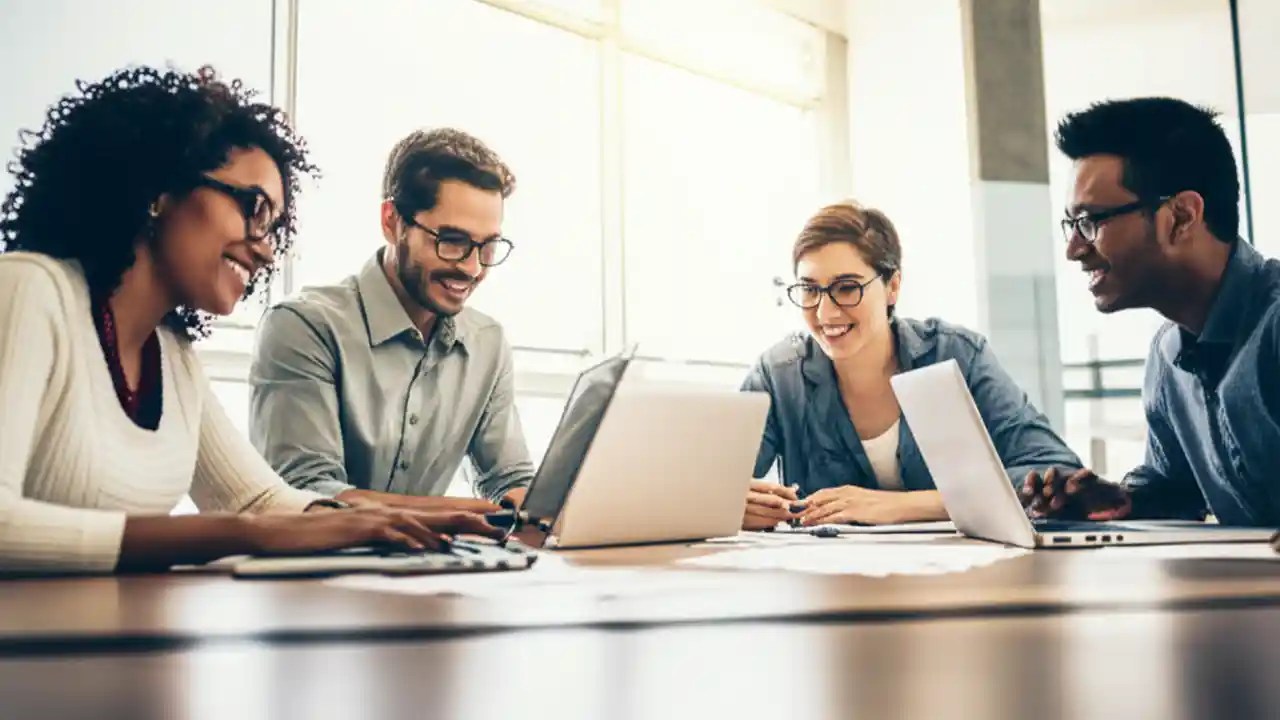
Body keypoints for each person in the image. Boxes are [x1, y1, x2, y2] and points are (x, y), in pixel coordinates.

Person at [0, 66, 498, 574]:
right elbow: (249, 521)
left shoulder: (171, 352)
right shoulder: (28, 291)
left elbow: (254, 499)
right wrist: (244, 535)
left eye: (275, 226)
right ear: (158, 189)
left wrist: (405, 523)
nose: (264, 248)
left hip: (110, 642)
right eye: (254, 209)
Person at [741, 201, 1082, 530]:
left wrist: (902, 506)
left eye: (847, 288)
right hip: (828, 583)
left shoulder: (956, 355)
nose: (824, 312)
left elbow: (1056, 473)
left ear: (893, 286)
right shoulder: (779, 375)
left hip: (958, 579)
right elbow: (712, 488)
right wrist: (735, 506)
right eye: (809, 290)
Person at [1026, 97, 1280, 530]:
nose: (1074, 250)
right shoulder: (1168, 351)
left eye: (1090, 220)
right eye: (1072, 224)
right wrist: (1119, 500)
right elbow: (1175, 488)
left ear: (1182, 216)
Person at [249, 128, 533, 513]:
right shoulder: (303, 326)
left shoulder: (488, 344)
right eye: (451, 240)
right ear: (392, 222)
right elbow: (308, 493)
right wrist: (463, 515)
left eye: (489, 246)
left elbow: (509, 481)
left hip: (434, 567)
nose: (472, 266)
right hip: (318, 570)